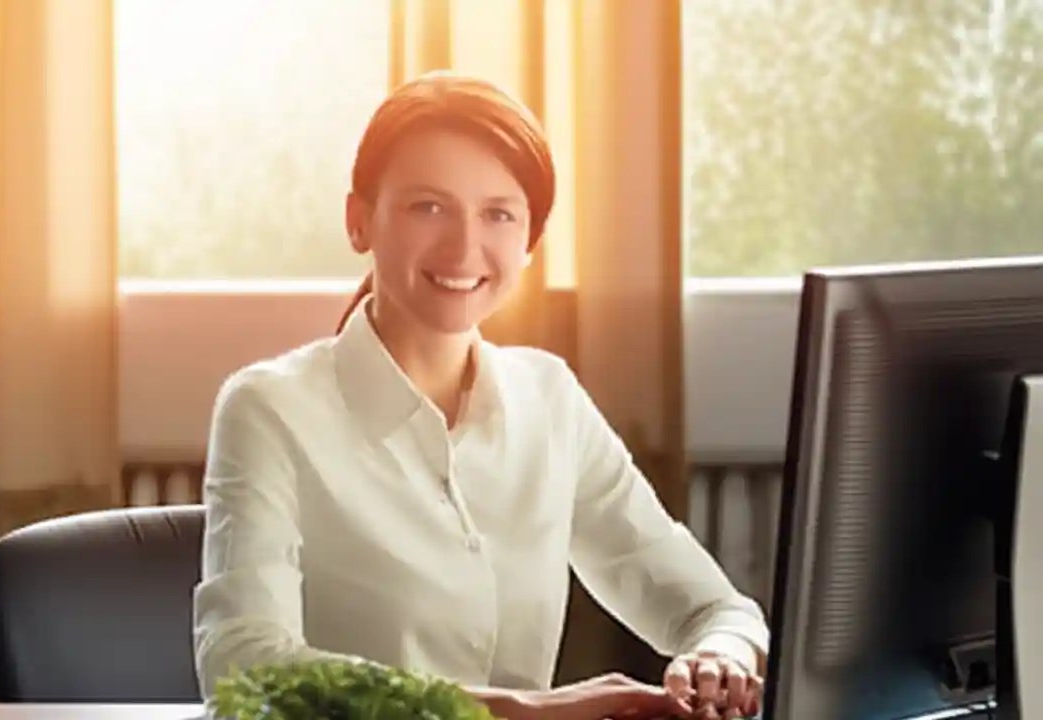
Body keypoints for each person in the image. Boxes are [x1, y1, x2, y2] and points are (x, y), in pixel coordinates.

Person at [193, 71, 769, 720]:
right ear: (360, 222)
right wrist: (520, 711)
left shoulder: (549, 398)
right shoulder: (270, 409)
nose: (465, 246)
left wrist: (722, 656)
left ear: (529, 243)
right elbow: (244, 663)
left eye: (499, 214)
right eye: (428, 207)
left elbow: (715, 609)